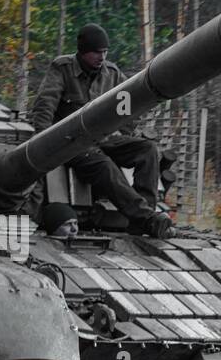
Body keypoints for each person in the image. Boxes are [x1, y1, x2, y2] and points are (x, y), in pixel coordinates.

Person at [29, 23, 171, 237]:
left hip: (105, 138)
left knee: (148, 149)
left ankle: (142, 219)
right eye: (97, 52)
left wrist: (124, 133)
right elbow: (45, 105)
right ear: (83, 51)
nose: (102, 57)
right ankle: (146, 219)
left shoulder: (112, 73)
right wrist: (44, 141)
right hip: (70, 142)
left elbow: (129, 107)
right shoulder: (63, 69)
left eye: (105, 52)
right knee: (104, 166)